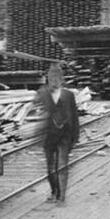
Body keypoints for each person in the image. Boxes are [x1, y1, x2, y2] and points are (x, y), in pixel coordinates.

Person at [31, 64, 80, 204]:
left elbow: (75, 117)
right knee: (50, 167)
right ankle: (54, 191)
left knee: (62, 166)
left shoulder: (68, 95)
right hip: (48, 135)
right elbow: (34, 112)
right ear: (47, 79)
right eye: (51, 78)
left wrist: (75, 137)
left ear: (62, 80)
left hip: (65, 135)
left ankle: (61, 196)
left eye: (57, 78)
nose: (54, 81)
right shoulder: (42, 93)